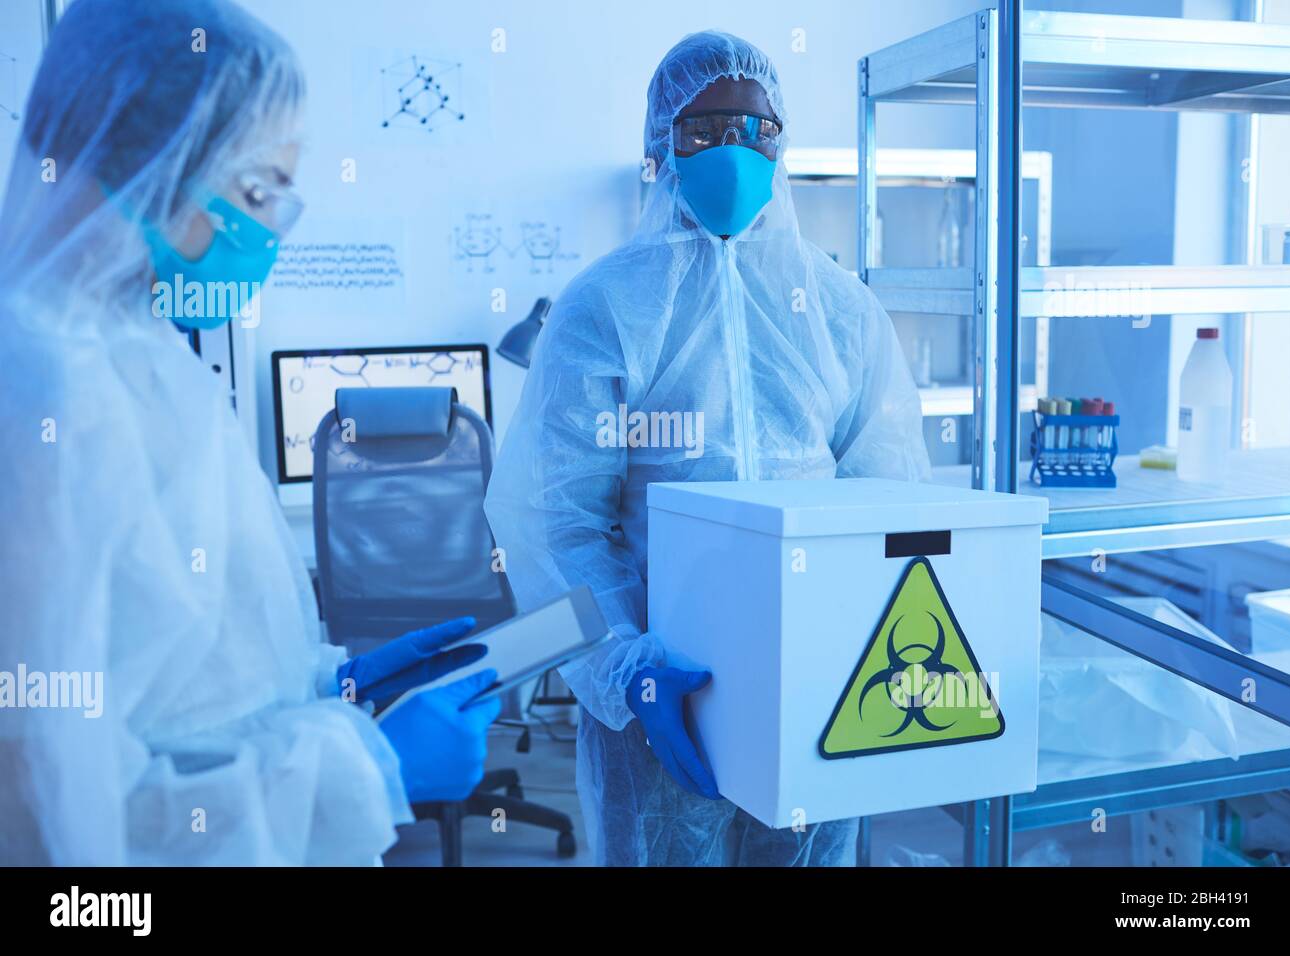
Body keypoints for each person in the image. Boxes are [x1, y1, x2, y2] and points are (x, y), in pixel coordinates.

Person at [0, 0, 498, 866]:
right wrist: (369, 762)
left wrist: (334, 687)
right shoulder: (44, 394)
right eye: (257, 188)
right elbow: (53, 819)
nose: (268, 229)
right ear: (150, 152)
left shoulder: (150, 356)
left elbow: (194, 671)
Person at [485, 31, 930, 866]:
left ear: (782, 142)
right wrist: (626, 667)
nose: (734, 151)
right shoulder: (606, 309)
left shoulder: (838, 309)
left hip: (818, 678)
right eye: (705, 130)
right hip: (661, 691)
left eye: (755, 129)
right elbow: (554, 522)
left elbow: (888, 494)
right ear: (661, 145)